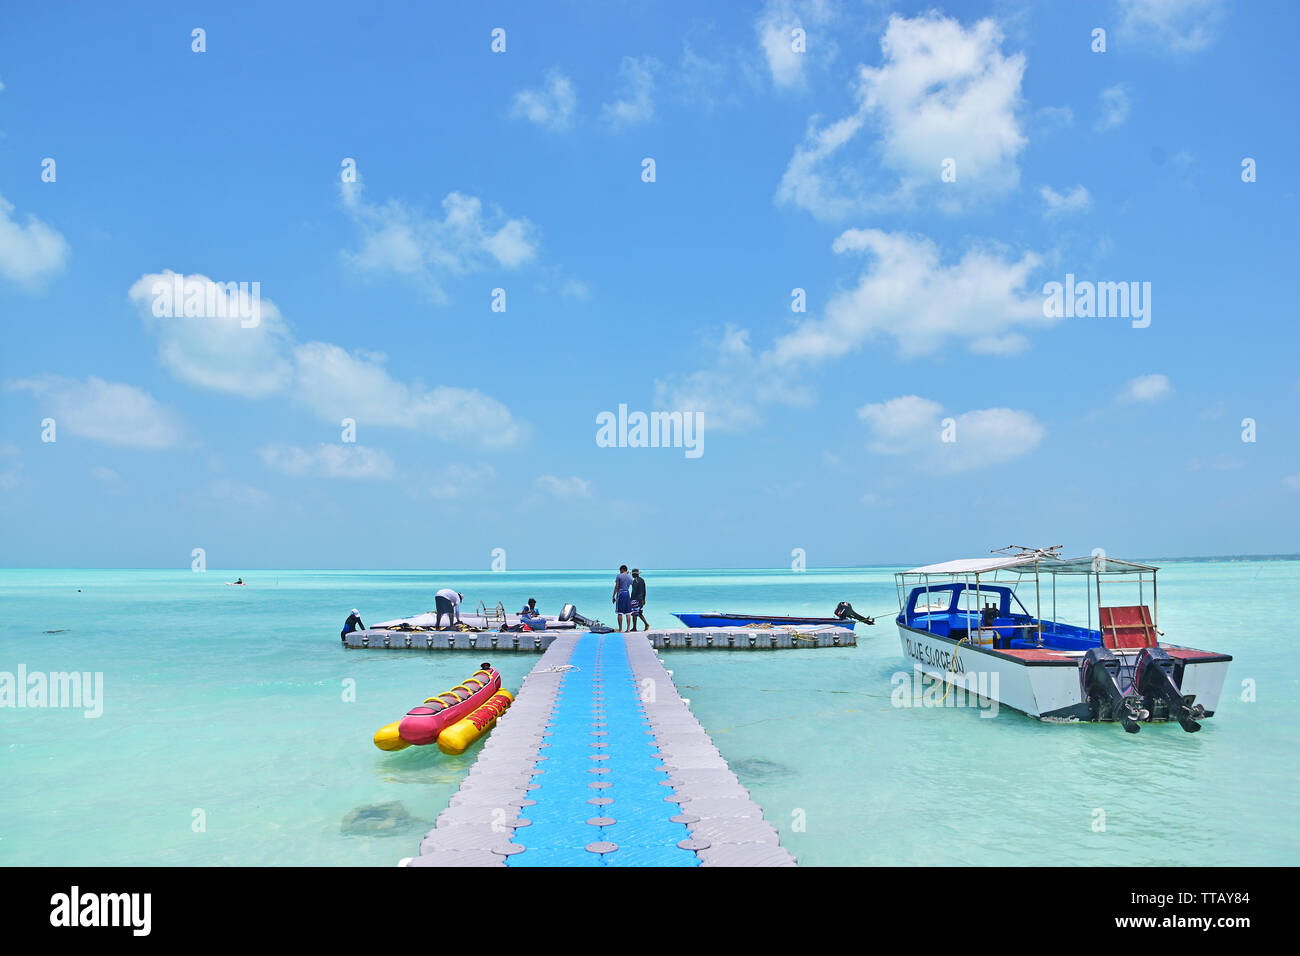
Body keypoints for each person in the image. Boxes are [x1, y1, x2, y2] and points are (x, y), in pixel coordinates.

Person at [612, 565, 633, 632]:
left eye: (620, 570)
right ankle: (628, 629)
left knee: (619, 612)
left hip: (620, 594)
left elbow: (616, 586)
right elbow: (629, 585)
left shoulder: (619, 576)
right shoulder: (629, 577)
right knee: (628, 612)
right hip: (627, 593)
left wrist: (613, 596)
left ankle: (621, 629)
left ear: (622, 570)